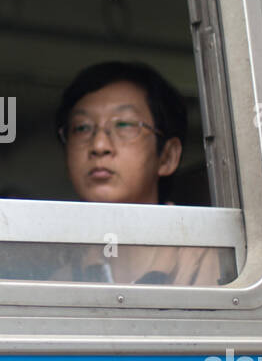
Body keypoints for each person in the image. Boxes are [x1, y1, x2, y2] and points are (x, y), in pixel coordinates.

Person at [53, 61, 223, 286]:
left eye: (124, 125)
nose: (99, 145)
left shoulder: (209, 264)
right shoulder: (61, 281)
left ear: (167, 157)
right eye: (82, 127)